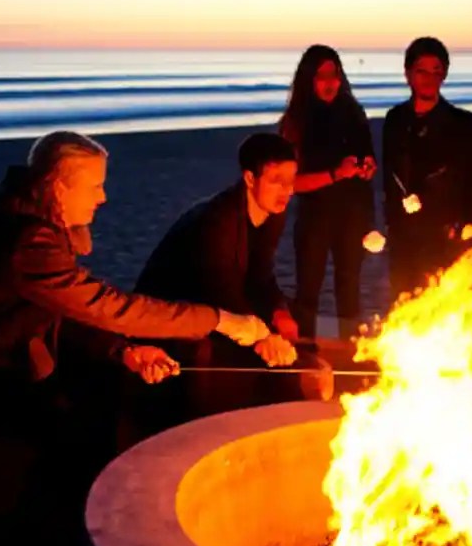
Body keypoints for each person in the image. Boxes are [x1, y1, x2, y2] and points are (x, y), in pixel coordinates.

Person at [0, 131, 269, 546]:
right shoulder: (25, 240)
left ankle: (65, 535)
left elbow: (64, 308)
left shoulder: (36, 221)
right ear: (58, 187)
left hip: (2, 340)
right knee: (66, 425)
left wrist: (125, 351)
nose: (104, 197)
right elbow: (109, 306)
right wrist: (218, 319)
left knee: (99, 400)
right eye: (94, 186)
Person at [132, 133, 332, 437]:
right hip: (175, 314)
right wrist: (264, 337)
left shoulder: (271, 211)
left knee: (287, 338)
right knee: (263, 361)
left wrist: (279, 313)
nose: (286, 191)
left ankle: (284, 421)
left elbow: (261, 274)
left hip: (221, 302)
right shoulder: (218, 220)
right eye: (277, 180)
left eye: (291, 180)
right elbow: (219, 291)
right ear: (250, 178)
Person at [278, 44, 376, 339]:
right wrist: (335, 174)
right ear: (308, 79)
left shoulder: (353, 113)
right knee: (308, 288)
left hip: (354, 214)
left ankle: (351, 350)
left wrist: (367, 167)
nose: (329, 82)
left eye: (334, 74)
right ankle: (306, 352)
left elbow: (367, 157)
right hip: (315, 217)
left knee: (349, 286)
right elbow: (292, 183)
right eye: (321, 75)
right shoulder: (297, 121)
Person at [383, 37, 472, 297]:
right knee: (404, 305)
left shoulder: (463, 123)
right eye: (422, 71)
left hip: (446, 234)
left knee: (447, 305)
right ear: (408, 74)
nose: (429, 78)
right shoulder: (394, 120)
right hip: (404, 237)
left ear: (444, 76)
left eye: (436, 71)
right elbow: (390, 174)